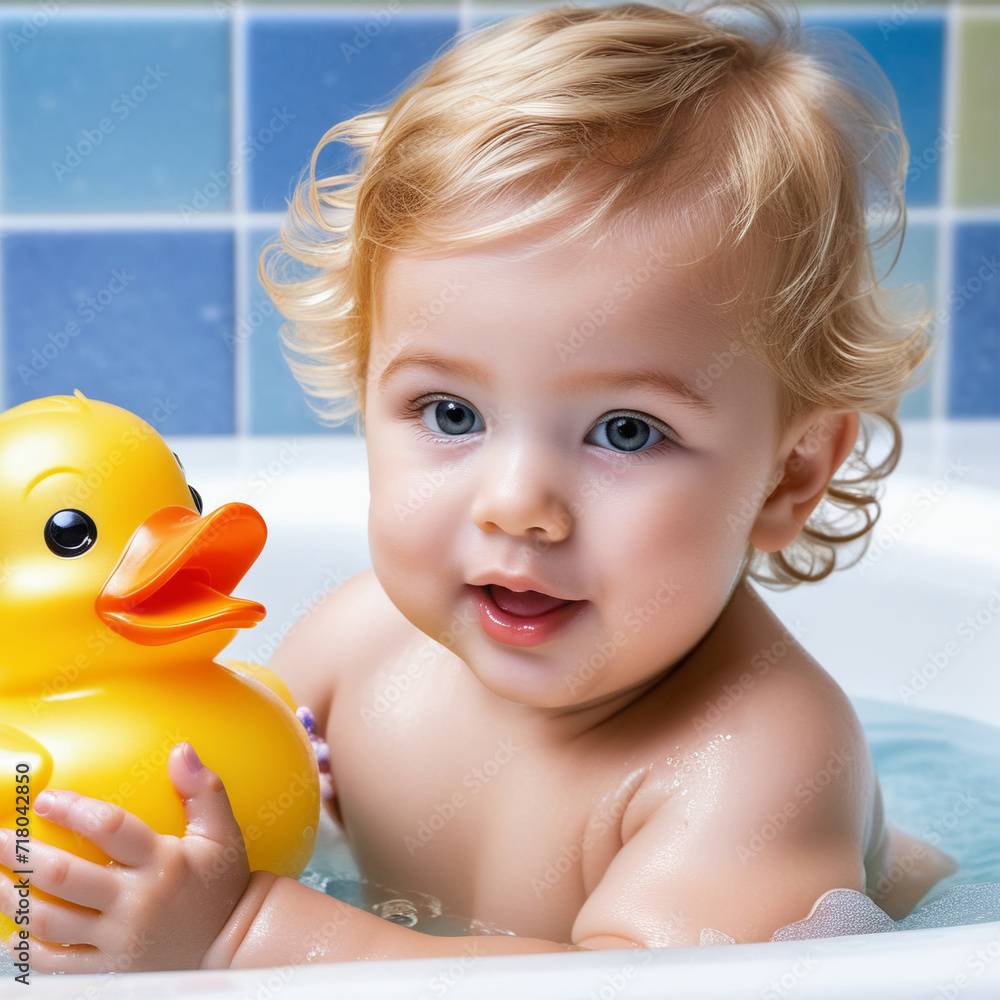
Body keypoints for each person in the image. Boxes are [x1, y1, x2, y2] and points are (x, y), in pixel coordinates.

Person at [1, 0, 955, 972]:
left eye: (625, 430)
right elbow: (259, 826)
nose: (517, 504)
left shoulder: (760, 764)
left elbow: (639, 993)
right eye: (450, 413)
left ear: (788, 476)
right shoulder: (351, 647)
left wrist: (245, 933)